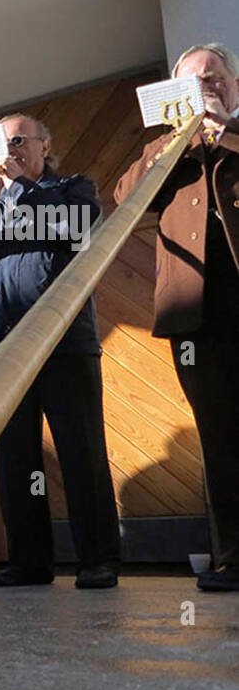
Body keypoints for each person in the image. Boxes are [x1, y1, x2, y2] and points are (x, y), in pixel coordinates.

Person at [0, 114, 120, 589]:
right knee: (15, 457)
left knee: (81, 452)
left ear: (45, 145)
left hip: (62, 341)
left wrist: (19, 189)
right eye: (1, 144)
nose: (10, 149)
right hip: (4, 346)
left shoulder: (73, 188)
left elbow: (76, 229)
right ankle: (30, 560)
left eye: (19, 140)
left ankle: (97, 559)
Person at [115, 42, 239, 592]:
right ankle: (233, 556)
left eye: (214, 76)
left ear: (233, 82)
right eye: (194, 81)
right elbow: (127, 200)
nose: (206, 85)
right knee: (220, 436)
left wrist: (222, 131)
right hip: (198, 316)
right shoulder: (166, 148)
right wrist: (175, 142)